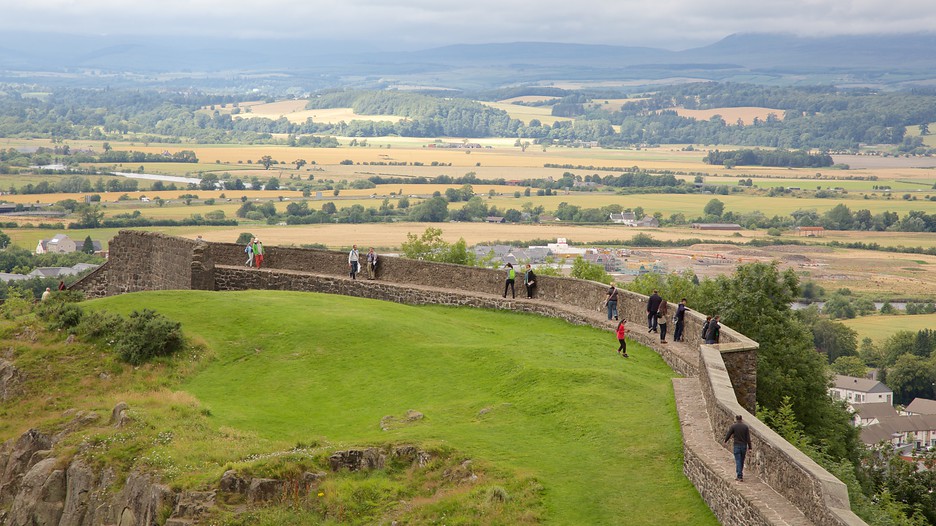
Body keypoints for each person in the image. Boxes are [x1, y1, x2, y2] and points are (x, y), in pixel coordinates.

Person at [724, 414, 753, 482]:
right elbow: (748, 438)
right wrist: (750, 447)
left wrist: (725, 441)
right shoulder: (745, 427)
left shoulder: (733, 426)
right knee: (742, 460)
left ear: (736, 419)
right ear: (741, 419)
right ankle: (739, 474)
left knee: (738, 460)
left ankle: (739, 476)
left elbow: (729, 434)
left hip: (737, 445)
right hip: (743, 446)